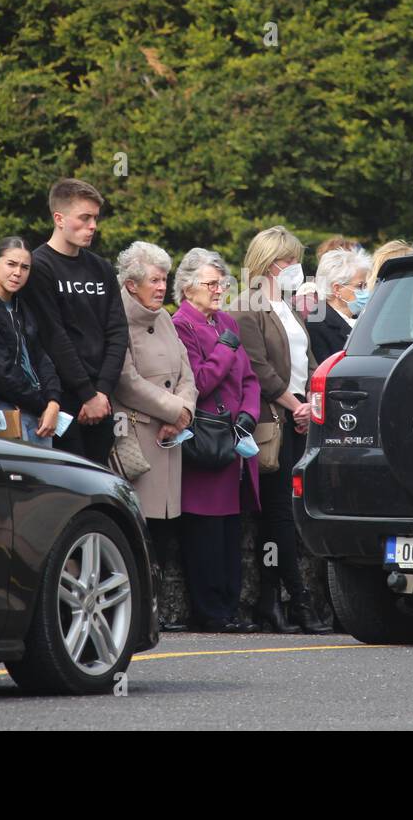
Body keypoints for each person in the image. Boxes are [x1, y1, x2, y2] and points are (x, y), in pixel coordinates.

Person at [232, 225, 331, 634]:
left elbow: (301, 361)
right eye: (293, 261)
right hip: (271, 419)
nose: (298, 268)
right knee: (277, 514)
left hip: (296, 416)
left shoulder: (287, 306)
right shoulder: (246, 306)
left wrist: (306, 403)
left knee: (286, 513)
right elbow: (258, 368)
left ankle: (272, 601)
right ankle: (299, 601)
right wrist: (295, 404)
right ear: (274, 263)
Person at [172, 248, 261, 634]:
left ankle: (230, 608)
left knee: (229, 530)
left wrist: (250, 414)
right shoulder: (181, 325)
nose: (219, 289)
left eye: (222, 282)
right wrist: (224, 348)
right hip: (206, 441)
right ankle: (211, 612)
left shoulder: (226, 321)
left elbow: (250, 379)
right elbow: (200, 382)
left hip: (235, 438)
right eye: (211, 283)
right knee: (205, 532)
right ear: (188, 287)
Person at [112, 241, 198, 631]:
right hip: (139, 435)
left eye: (165, 278)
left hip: (170, 436)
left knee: (164, 533)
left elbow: (186, 373)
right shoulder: (115, 317)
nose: (162, 286)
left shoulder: (163, 317)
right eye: (154, 279)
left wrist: (185, 412)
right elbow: (125, 381)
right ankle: (133, 613)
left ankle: (156, 611)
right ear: (131, 284)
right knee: (137, 530)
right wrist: (173, 409)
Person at [27, 178, 129, 465]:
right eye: (84, 218)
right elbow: (53, 336)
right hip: (62, 400)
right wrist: (86, 394)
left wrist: (103, 392)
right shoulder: (38, 266)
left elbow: (118, 332)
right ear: (59, 219)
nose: (93, 226)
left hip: (103, 399)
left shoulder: (102, 268)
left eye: (95, 218)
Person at [0, 237, 63, 446]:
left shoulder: (22, 305)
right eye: (11, 264)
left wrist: (54, 401)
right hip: (8, 410)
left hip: (39, 411)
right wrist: (44, 404)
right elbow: (2, 372)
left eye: (25, 267)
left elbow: (40, 356)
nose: (18, 273)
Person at [309, 247, 372, 363]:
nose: (366, 291)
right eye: (360, 286)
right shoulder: (317, 324)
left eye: (365, 285)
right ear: (337, 289)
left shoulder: (362, 318)